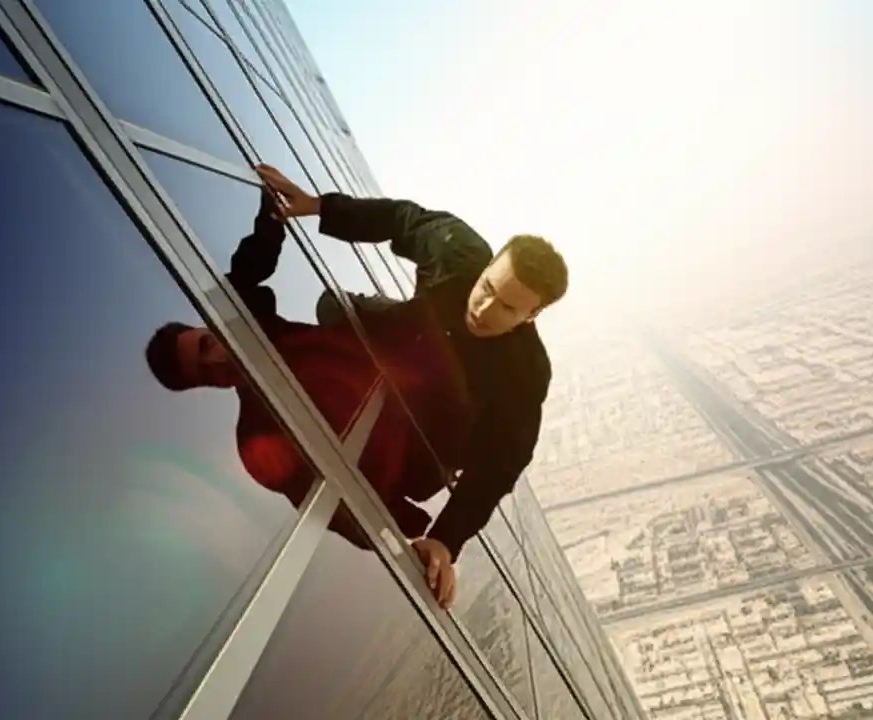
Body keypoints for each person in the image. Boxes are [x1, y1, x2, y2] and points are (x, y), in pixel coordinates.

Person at [146, 164, 567, 609]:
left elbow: (503, 463)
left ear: (531, 315)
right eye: (487, 288)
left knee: (338, 307)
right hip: (398, 372)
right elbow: (334, 509)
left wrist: (447, 539)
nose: (484, 308)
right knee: (360, 319)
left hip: (439, 405)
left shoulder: (526, 372)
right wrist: (397, 535)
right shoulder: (256, 437)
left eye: (508, 308)